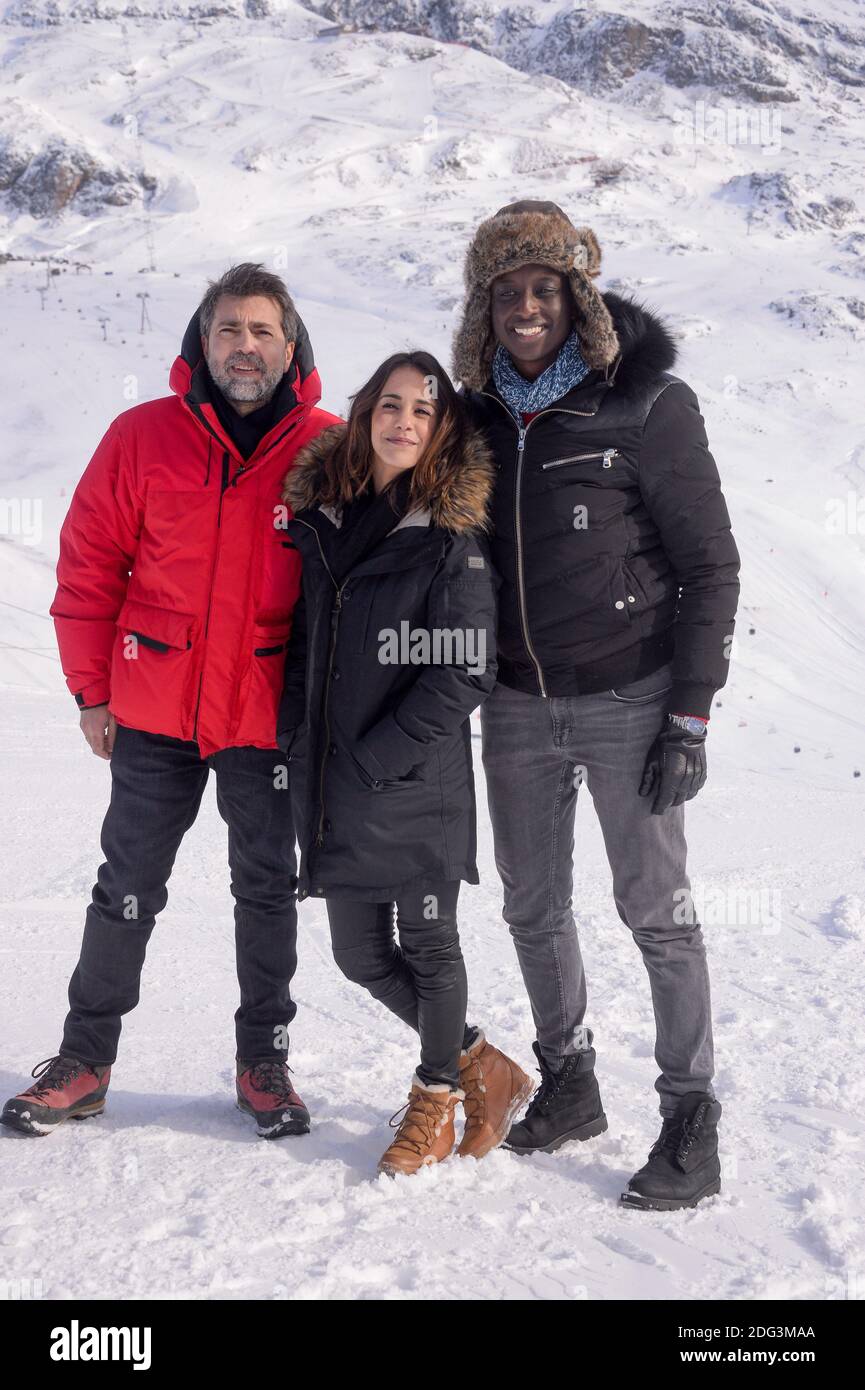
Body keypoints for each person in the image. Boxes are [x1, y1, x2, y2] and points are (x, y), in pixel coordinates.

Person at [2, 263, 341, 1139]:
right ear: (201, 340)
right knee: (126, 885)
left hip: (264, 718)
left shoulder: (327, 450)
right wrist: (90, 691)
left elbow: (362, 586)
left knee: (266, 888)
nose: (244, 346)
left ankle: (263, 1063)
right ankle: (86, 1061)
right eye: (228, 329)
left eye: (263, 331)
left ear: (291, 345)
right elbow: (87, 568)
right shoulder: (142, 436)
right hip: (151, 710)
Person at [453, 200, 741, 1210]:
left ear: (576, 298)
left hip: (632, 696)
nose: (525, 307)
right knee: (531, 905)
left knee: (656, 914)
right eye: (506, 292)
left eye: (543, 287)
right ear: (483, 310)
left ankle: (689, 1117)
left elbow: (710, 564)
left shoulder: (647, 404)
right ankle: (568, 1079)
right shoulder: (473, 418)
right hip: (516, 705)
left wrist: (690, 712)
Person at [276, 350, 533, 1176]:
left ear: (440, 431)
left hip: (414, 785)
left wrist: (379, 753)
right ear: (364, 414)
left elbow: (463, 667)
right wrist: (295, 734)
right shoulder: (327, 519)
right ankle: (481, 1062)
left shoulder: (450, 538)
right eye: (390, 404)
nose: (403, 421)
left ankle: (434, 1096)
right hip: (335, 784)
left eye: (422, 411)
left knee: (428, 947)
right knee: (357, 957)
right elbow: (306, 646)